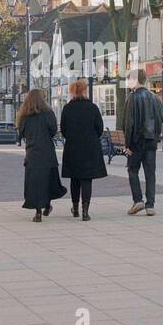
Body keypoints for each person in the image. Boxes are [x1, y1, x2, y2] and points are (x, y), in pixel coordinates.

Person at [59, 79, 106, 221]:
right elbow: (99, 128)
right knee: (87, 179)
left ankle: (75, 208)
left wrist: (73, 137)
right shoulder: (92, 108)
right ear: (85, 91)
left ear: (73, 91)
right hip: (90, 148)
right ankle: (85, 211)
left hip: (73, 147)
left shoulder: (67, 108)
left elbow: (64, 129)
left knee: (75, 178)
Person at [16, 89, 66, 222]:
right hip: (47, 152)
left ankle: (38, 212)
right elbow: (53, 130)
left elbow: (21, 133)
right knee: (48, 180)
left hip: (32, 153)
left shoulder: (24, 116)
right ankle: (47, 205)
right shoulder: (48, 113)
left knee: (35, 183)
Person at [123, 68, 163, 216]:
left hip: (136, 141)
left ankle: (138, 199)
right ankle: (150, 205)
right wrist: (156, 136)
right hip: (151, 140)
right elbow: (161, 118)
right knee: (150, 173)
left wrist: (127, 145)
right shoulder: (154, 97)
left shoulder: (131, 98)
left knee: (132, 170)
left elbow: (129, 124)